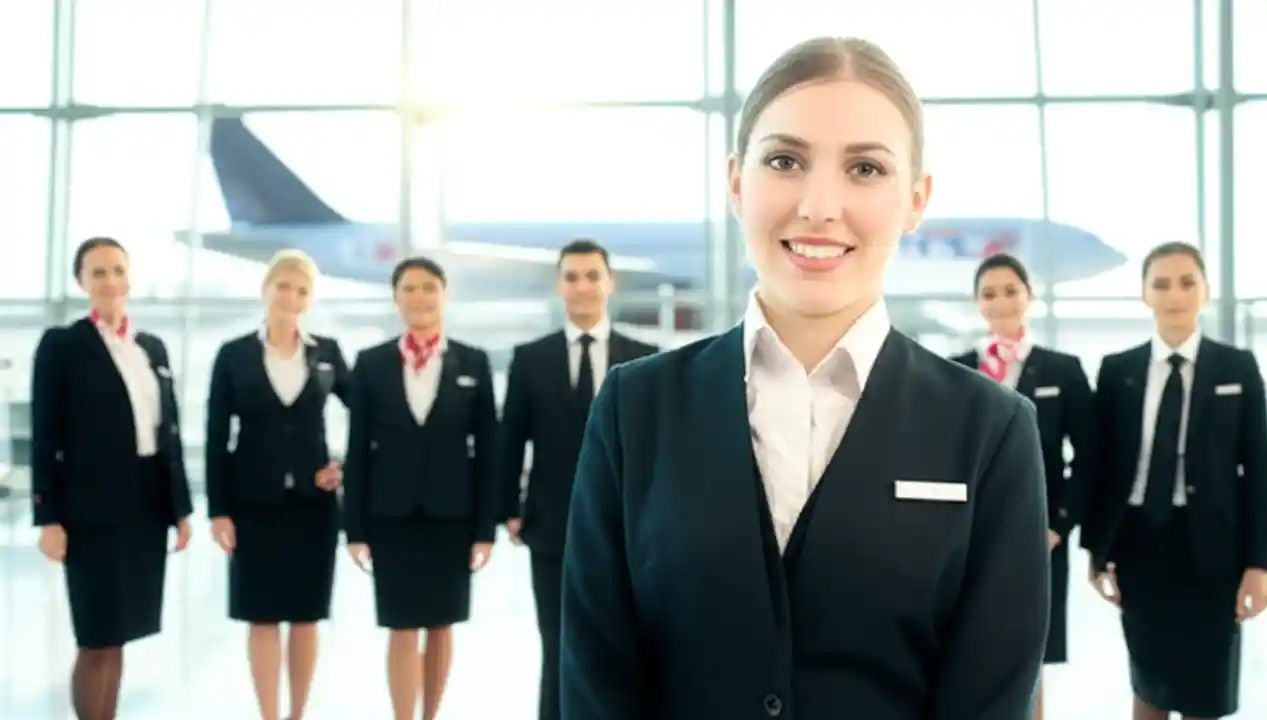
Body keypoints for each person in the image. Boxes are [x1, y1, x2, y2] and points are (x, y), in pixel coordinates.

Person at [560, 36, 1050, 719]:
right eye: (786, 161)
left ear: (916, 199)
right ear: (736, 182)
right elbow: (593, 681)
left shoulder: (991, 431)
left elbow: (990, 697)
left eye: (866, 169)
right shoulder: (634, 410)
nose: (820, 206)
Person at [1084, 242, 1267, 720]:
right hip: (1139, 544)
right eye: (1162, 283)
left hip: (1215, 551)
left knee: (1206, 690)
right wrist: (1097, 551)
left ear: (1206, 290)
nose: (1175, 294)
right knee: (1148, 682)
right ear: (1145, 293)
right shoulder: (1117, 371)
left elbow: (1258, 472)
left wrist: (1260, 565)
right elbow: (1101, 466)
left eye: (1187, 282)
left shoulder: (1238, 368)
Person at [31, 237, 194, 719]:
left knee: (120, 633)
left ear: (130, 277)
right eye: (98, 272)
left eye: (117, 270)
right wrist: (49, 517)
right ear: (81, 281)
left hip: (145, 507)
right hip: (91, 511)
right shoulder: (63, 345)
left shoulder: (151, 347)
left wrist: (180, 509)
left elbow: (170, 431)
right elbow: (46, 434)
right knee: (97, 635)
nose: (109, 281)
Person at [498, 238, 659, 720]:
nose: (583, 286)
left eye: (592, 276)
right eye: (572, 277)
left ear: (610, 283)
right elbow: (512, 439)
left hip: (631, 529)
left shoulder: (645, 358)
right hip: (552, 525)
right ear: (559, 285)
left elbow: (656, 448)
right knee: (558, 642)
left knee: (627, 642)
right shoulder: (530, 358)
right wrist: (506, 508)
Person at [343, 257, 498, 720]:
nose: (419, 297)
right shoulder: (371, 364)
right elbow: (356, 449)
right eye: (409, 288)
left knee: (442, 623)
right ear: (396, 297)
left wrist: (484, 529)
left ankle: (432, 714)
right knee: (401, 625)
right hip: (389, 513)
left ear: (444, 294)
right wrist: (354, 529)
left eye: (429, 287)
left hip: (453, 514)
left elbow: (488, 448)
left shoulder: (473, 361)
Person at [950, 252, 1100, 720]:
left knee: (1028, 654)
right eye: (989, 294)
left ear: (1029, 297)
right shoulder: (956, 371)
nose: (1001, 302)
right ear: (977, 304)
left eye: (1011, 291)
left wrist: (1059, 526)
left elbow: (1092, 457)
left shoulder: (1063, 369)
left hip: (1039, 536)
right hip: (967, 536)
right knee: (967, 647)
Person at [205, 249, 349, 720]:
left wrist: (343, 466)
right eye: (283, 285)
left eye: (302, 289)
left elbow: (370, 414)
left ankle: (297, 714)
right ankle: (269, 715)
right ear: (266, 288)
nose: (291, 296)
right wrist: (219, 509)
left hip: (313, 505)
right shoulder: (234, 355)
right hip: (253, 501)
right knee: (262, 614)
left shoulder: (325, 352)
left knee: (306, 616)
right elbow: (215, 435)